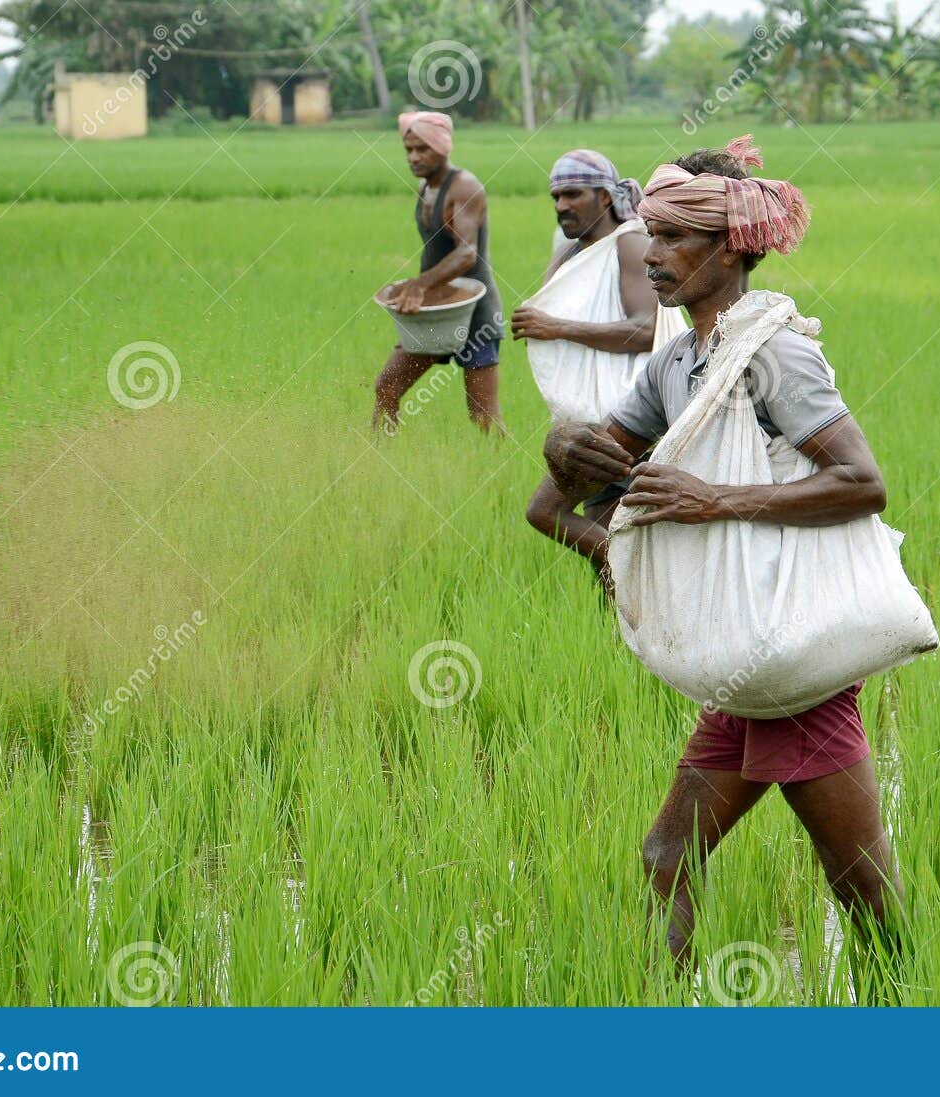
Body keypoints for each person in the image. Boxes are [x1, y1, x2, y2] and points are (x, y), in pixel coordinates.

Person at [540, 137, 902, 980]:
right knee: (667, 855)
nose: (653, 255)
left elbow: (863, 481)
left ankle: (908, 1013)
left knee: (862, 891)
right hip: (744, 666)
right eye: (650, 235)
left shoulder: (774, 353)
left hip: (798, 664)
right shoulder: (676, 360)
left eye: (673, 238)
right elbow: (572, 489)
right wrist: (567, 448)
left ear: (732, 245)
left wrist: (718, 501)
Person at [511, 150, 659, 589]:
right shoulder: (571, 254)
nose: (561, 205)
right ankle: (624, 639)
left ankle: (645, 579)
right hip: (589, 421)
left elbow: (646, 328)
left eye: (572, 194)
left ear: (604, 197)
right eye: (555, 197)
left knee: (546, 512)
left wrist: (554, 326)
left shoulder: (630, 243)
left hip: (632, 419)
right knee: (603, 546)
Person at [374, 111, 505, 434]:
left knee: (483, 416)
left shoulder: (464, 187)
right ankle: (380, 459)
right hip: (435, 311)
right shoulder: (425, 189)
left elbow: (465, 253)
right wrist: (420, 289)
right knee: (386, 389)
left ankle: (497, 469)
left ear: (443, 148)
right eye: (409, 150)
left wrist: (419, 284)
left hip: (474, 313)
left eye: (423, 149)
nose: (414, 157)